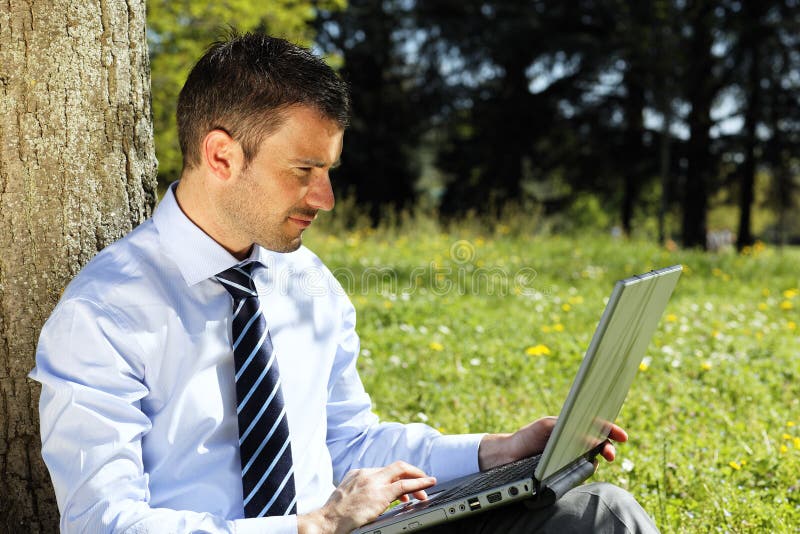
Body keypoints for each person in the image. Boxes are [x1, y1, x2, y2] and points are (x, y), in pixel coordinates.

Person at [31, 32, 659, 534]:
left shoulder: (305, 279)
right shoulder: (105, 312)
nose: (326, 198)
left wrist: (498, 451)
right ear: (222, 156)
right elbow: (101, 523)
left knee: (603, 517)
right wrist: (315, 526)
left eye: (328, 170)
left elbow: (350, 440)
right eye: (304, 170)